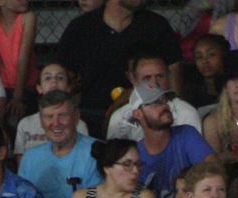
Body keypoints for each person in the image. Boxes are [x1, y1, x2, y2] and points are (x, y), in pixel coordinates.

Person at [53, 0, 182, 132]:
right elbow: (61, 76)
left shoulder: (156, 26)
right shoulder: (81, 27)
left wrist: (176, 113)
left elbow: (173, 75)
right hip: (90, 118)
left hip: (144, 118)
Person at [17, 92, 103, 198]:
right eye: (49, 117)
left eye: (62, 115)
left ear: (76, 116)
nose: (55, 123)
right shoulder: (30, 158)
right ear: (41, 121)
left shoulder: (97, 152)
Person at [114, 54, 205, 143]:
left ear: (169, 77)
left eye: (160, 76)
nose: (154, 83)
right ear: (134, 80)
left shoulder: (186, 113)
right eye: (147, 78)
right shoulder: (119, 118)